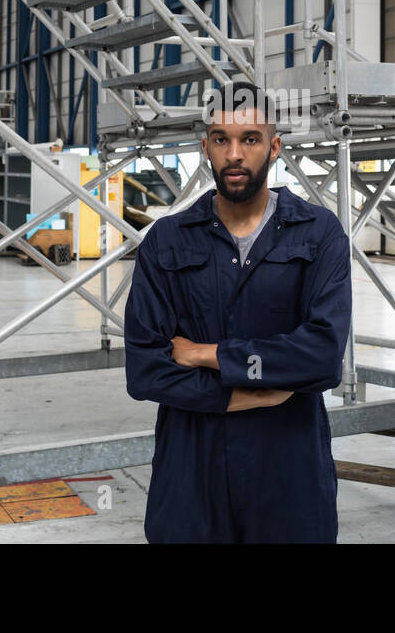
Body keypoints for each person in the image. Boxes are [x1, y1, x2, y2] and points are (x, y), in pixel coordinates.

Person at [123, 80, 352, 543]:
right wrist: (245, 395)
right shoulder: (167, 241)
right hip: (192, 469)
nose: (234, 154)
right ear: (205, 146)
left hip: (288, 468)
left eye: (249, 139)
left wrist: (207, 355)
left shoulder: (318, 234)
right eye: (221, 139)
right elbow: (145, 370)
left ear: (274, 146)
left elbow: (323, 357)